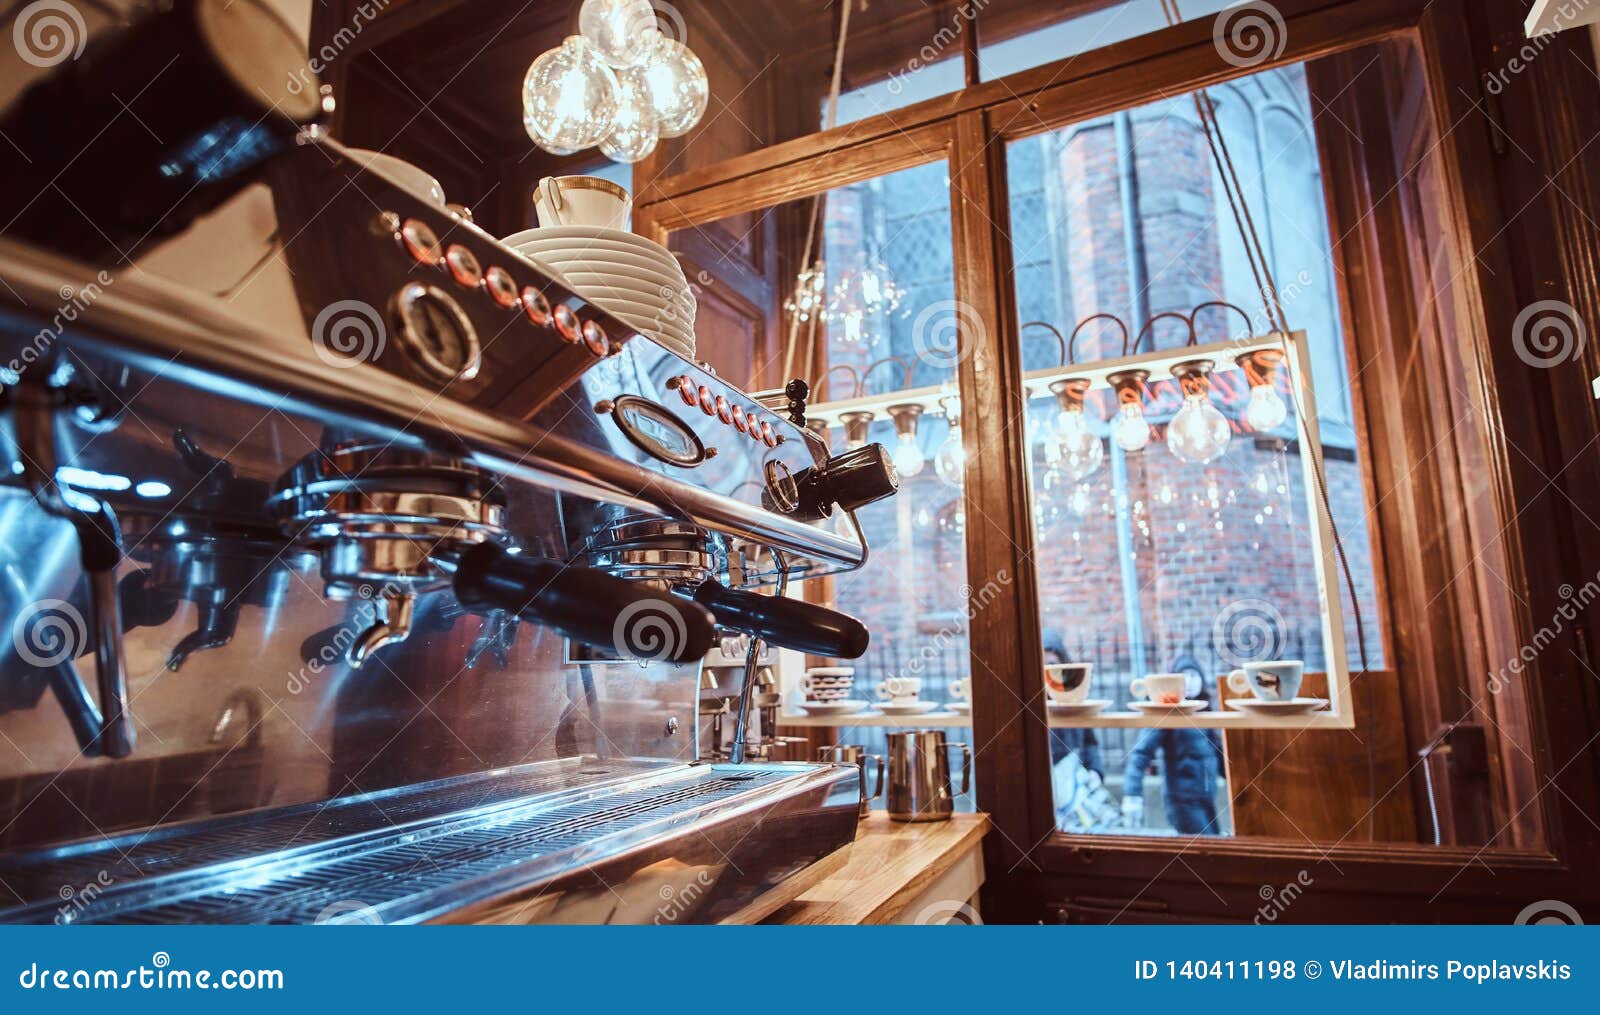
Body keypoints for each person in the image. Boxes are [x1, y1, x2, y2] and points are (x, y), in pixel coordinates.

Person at [1121, 669, 1224, 835]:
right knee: (1206, 849)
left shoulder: (1203, 713)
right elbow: (1141, 752)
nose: (1189, 681)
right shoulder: (1167, 714)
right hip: (1183, 801)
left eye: (1194, 675)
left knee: (1215, 845)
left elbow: (1218, 753)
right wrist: (1132, 793)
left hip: (1206, 798)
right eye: (1184, 676)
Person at [1043, 635, 1101, 777]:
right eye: (1042, 665)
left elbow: (1089, 742)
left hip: (1076, 781)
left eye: (1052, 665)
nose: (1047, 672)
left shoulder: (1074, 697)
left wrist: (1095, 772)